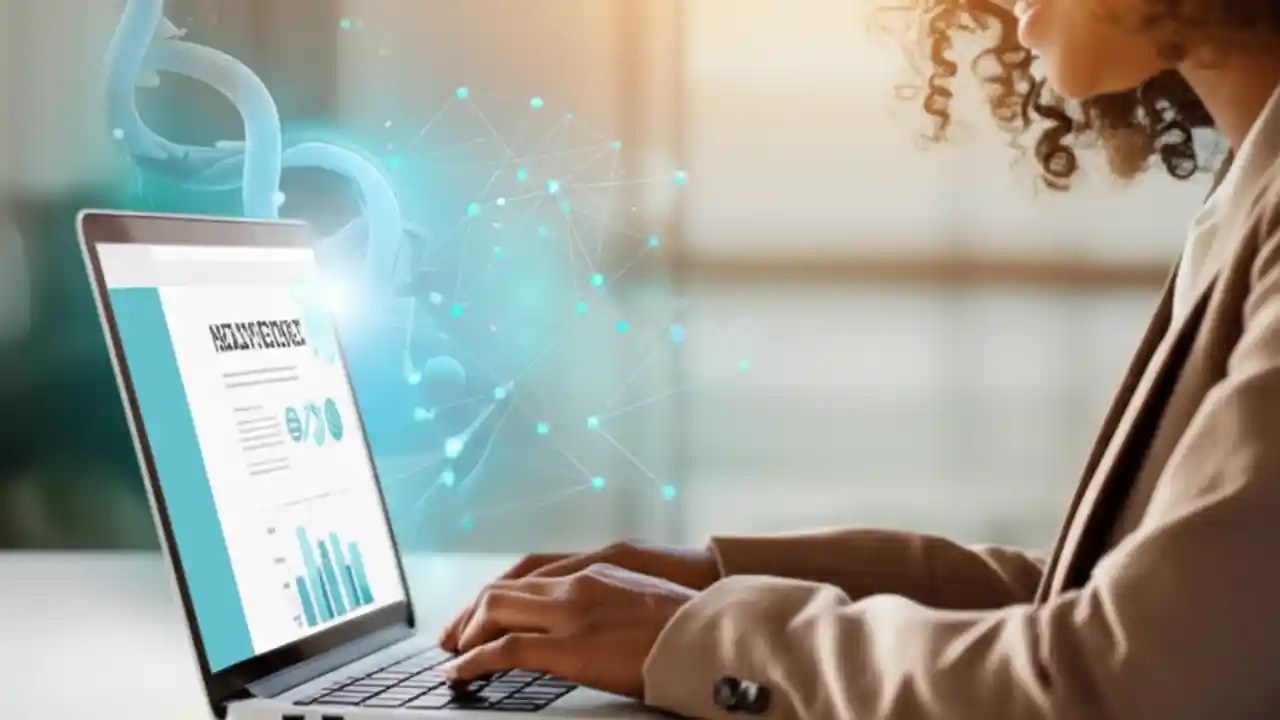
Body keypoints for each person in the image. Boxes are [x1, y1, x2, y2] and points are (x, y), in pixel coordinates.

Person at [438, 0, 1280, 716]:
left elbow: (1118, 678)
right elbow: (1100, 597)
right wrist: (714, 579)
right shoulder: (1251, 182)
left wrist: (704, 639)